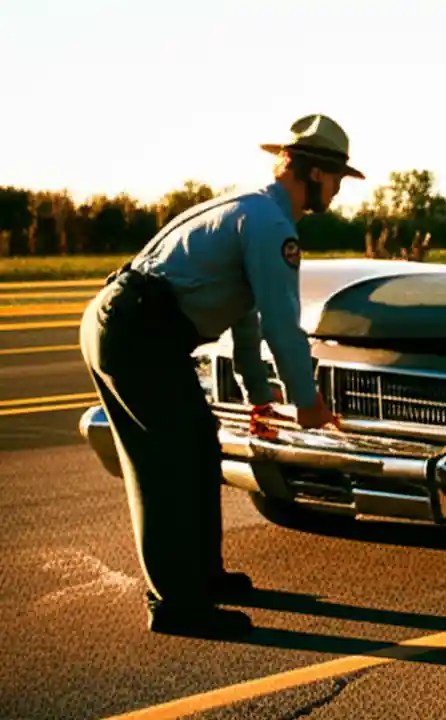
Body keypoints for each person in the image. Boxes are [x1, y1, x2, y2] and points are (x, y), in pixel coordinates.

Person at [79, 114, 364, 638]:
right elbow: (282, 326)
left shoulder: (251, 211)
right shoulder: (272, 226)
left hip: (133, 326)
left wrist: (259, 396)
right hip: (136, 332)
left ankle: (204, 578)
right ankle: (176, 604)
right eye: (338, 179)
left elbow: (246, 319)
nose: (339, 190)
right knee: (166, 464)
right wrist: (307, 403)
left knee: (198, 446)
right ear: (316, 173)